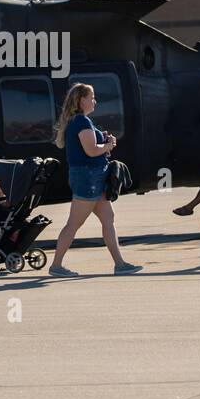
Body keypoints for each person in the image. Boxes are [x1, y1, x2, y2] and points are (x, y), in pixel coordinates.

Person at [47, 83, 141, 277]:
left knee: (108, 219)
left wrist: (102, 141)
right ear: (81, 100)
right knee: (73, 224)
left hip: (93, 177)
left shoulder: (79, 121)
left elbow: (88, 146)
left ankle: (120, 264)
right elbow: (91, 151)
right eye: (92, 97)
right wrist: (107, 145)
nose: (94, 101)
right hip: (88, 178)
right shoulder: (81, 121)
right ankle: (56, 266)